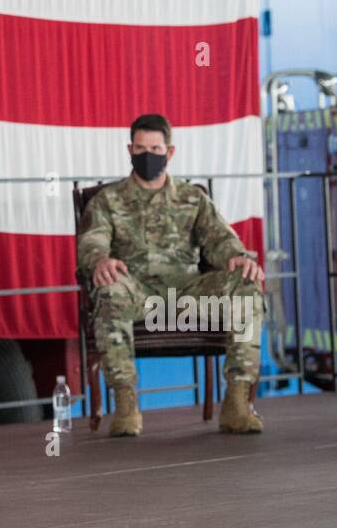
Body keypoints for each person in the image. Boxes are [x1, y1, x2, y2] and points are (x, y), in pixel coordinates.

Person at [77, 113, 265, 437]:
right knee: (110, 290)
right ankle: (125, 404)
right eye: (139, 148)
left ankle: (236, 401)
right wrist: (100, 260)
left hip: (188, 293)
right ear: (129, 150)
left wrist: (237, 256)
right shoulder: (107, 200)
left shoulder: (193, 198)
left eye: (154, 147)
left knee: (246, 285)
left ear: (170, 151)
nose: (147, 155)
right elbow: (92, 239)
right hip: (138, 293)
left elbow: (219, 239)